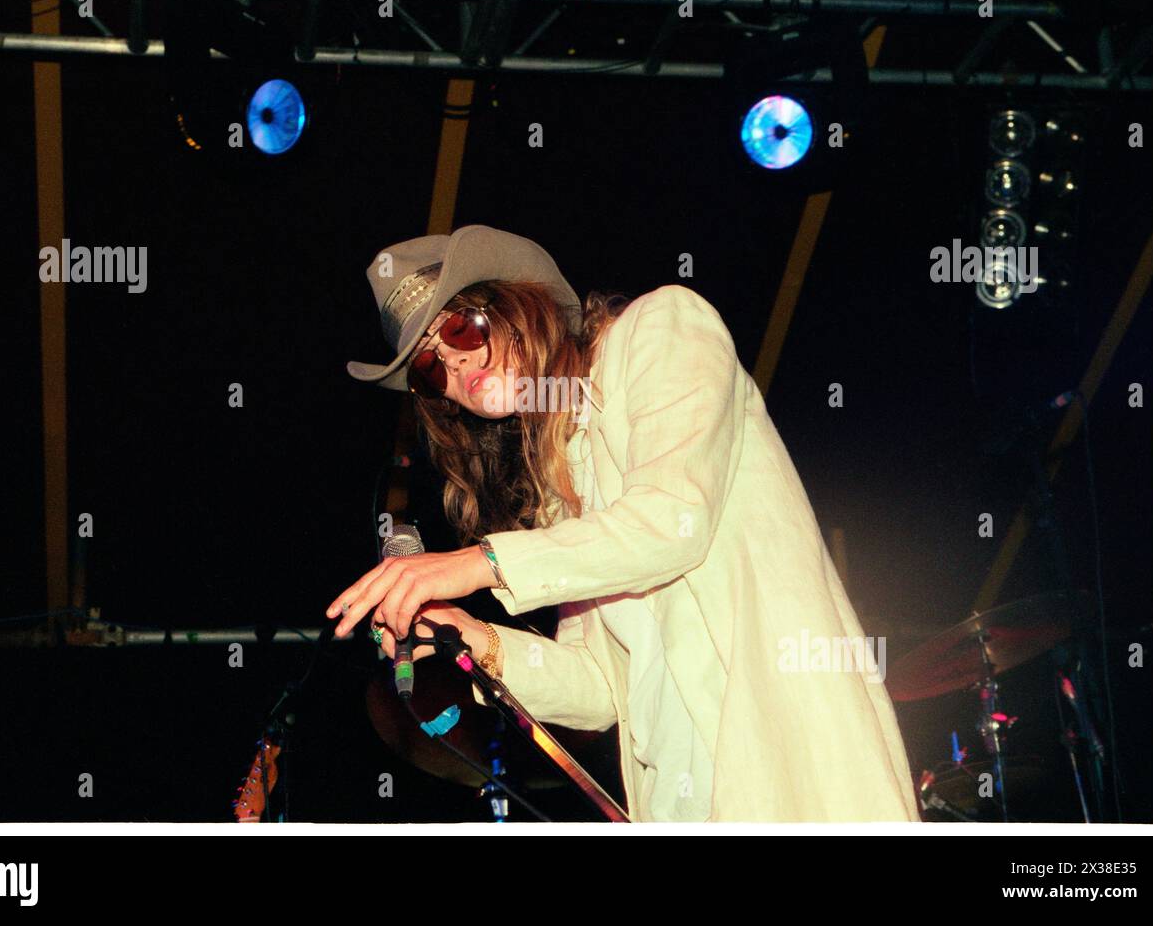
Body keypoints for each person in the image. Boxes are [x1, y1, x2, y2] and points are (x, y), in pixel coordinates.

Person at [330, 224, 920, 822]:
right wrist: (473, 638)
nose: (453, 363)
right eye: (431, 366)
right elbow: (598, 689)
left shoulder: (661, 328)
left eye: (461, 328)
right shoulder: (565, 495)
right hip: (680, 801)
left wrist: (475, 564)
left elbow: (673, 523)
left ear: (514, 304)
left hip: (790, 765)